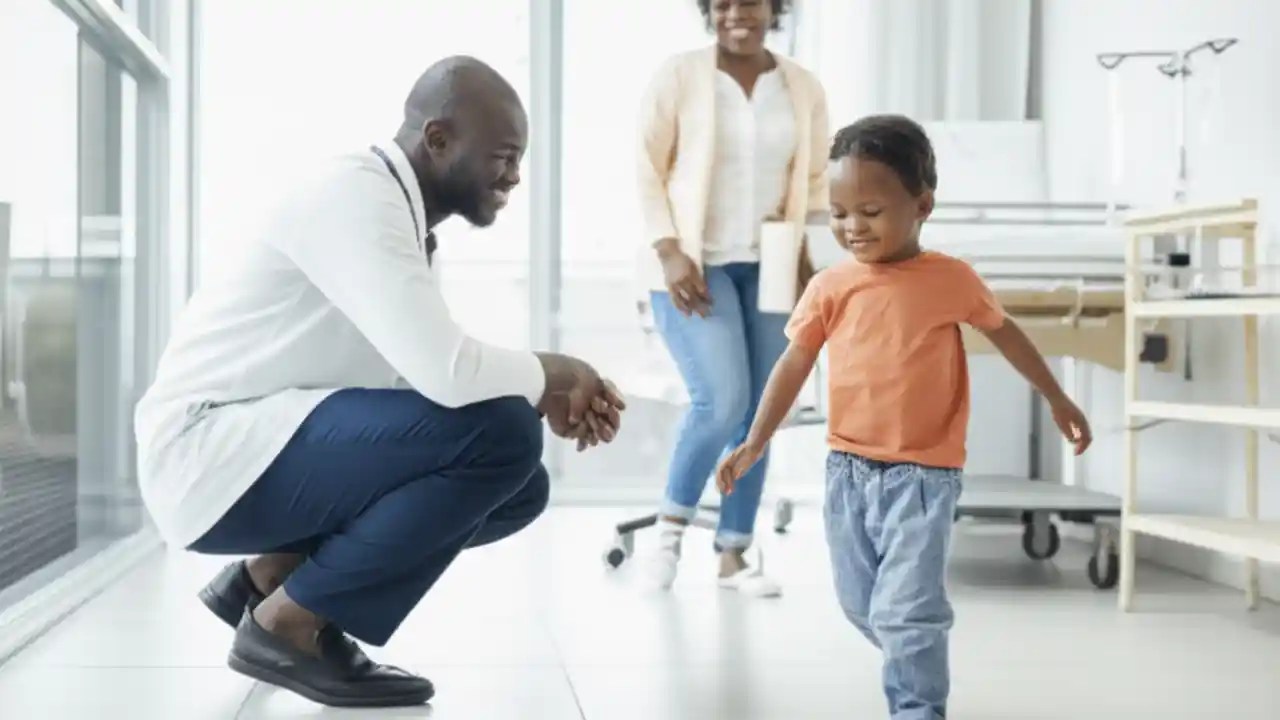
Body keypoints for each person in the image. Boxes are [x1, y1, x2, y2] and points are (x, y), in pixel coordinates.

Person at [134, 56, 625, 709]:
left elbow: (415, 392)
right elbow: (448, 372)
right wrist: (555, 376)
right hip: (204, 453)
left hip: (257, 446)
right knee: (503, 436)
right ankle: (289, 626)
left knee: (518, 484)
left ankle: (268, 577)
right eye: (503, 156)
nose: (513, 175)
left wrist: (536, 397)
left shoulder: (400, 221)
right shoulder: (356, 198)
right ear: (438, 139)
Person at [715, 115, 1093, 719]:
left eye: (870, 211)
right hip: (846, 471)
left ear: (922, 206)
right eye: (840, 213)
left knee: (907, 614)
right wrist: (756, 440)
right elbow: (793, 364)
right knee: (863, 606)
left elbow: (1007, 335)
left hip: (923, 476)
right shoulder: (831, 286)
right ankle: (915, 656)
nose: (852, 227)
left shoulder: (951, 279)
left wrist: (1057, 397)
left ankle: (918, 706)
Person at [634, 0, 828, 596]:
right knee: (720, 400)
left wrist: (812, 259)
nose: (735, 14)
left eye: (749, 2)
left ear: (774, 8)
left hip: (773, 265)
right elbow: (646, 169)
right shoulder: (680, 75)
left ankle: (734, 555)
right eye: (722, 3)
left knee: (762, 411)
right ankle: (668, 534)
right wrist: (668, 250)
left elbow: (815, 179)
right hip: (693, 265)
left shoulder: (801, 87)